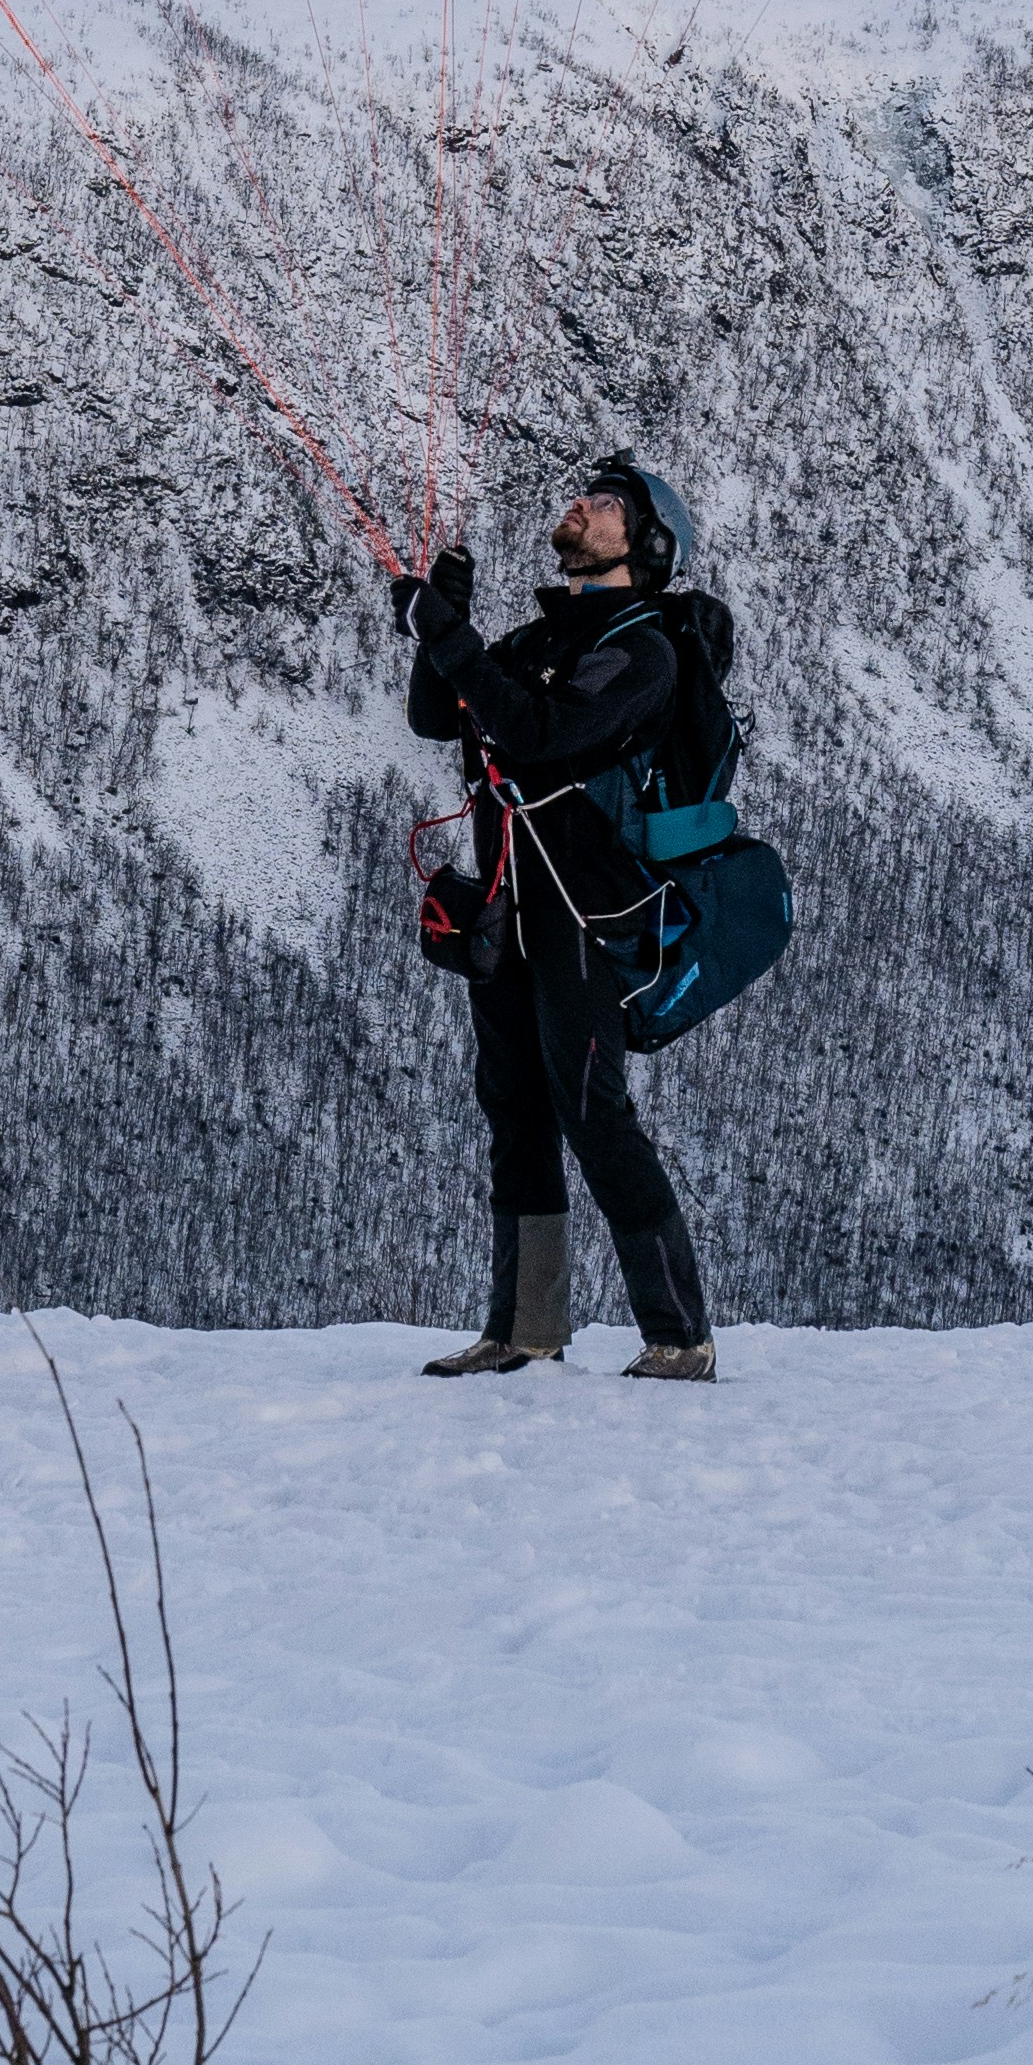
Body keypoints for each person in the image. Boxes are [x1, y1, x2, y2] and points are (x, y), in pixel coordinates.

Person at [396, 455, 720, 1381]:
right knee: (515, 1110)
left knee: (592, 1114)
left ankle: (679, 1335)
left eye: (609, 505)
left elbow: (536, 736)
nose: (582, 505)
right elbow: (438, 716)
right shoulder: (536, 642)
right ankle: (523, 1329)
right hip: (510, 904)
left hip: (585, 914)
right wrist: (444, 629)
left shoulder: (641, 649)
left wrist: (450, 637)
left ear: (646, 547)